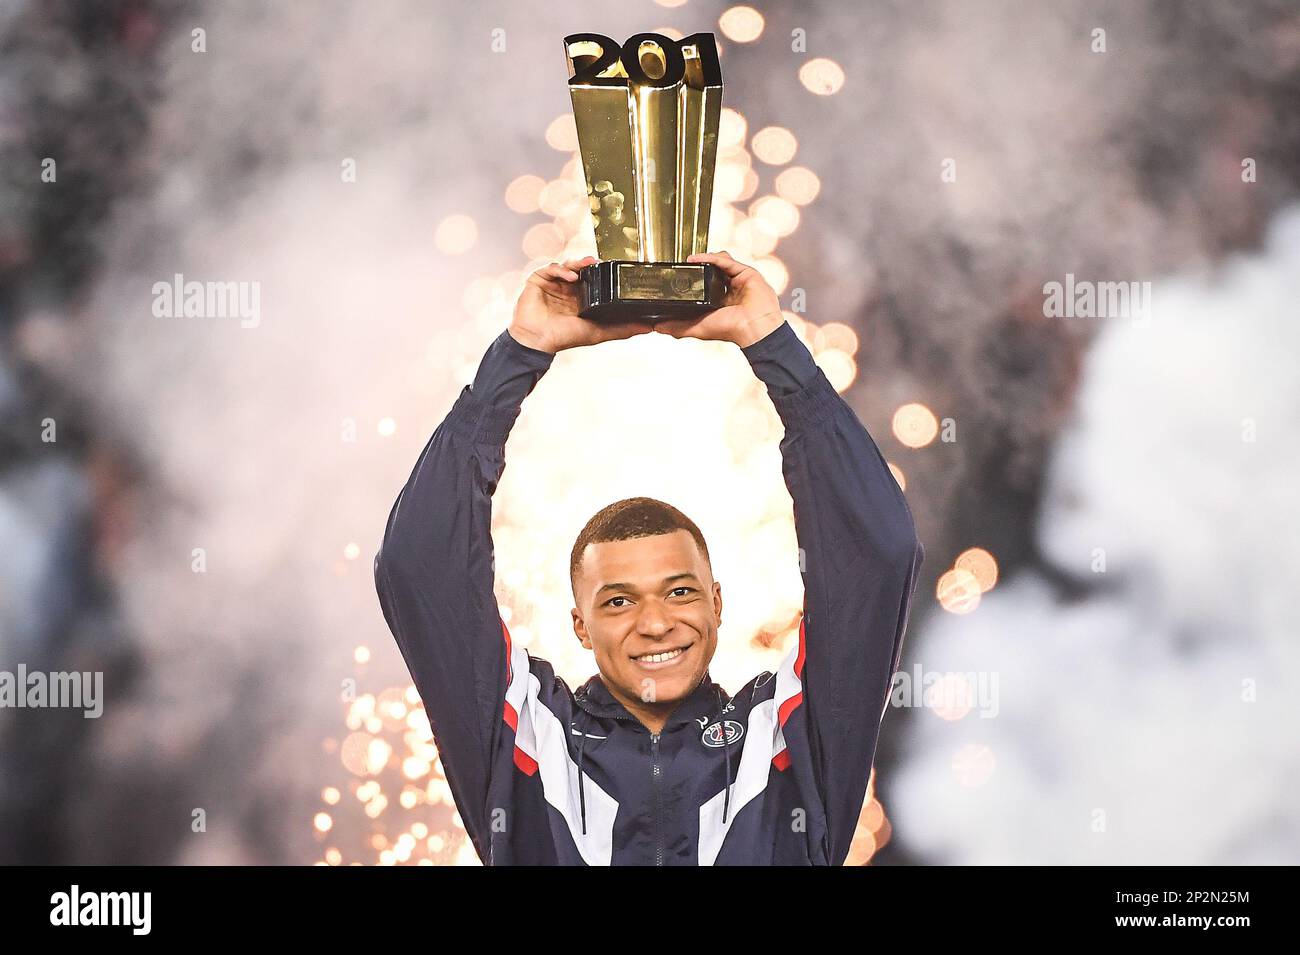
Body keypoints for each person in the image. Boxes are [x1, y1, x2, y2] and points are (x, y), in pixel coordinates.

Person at [374, 251, 924, 865]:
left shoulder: (789, 733)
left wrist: (774, 350)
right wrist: (519, 354)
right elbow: (418, 567)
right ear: (579, 624)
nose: (657, 622)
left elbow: (878, 556)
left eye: (680, 591)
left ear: (718, 601)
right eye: (618, 601)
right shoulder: (526, 733)